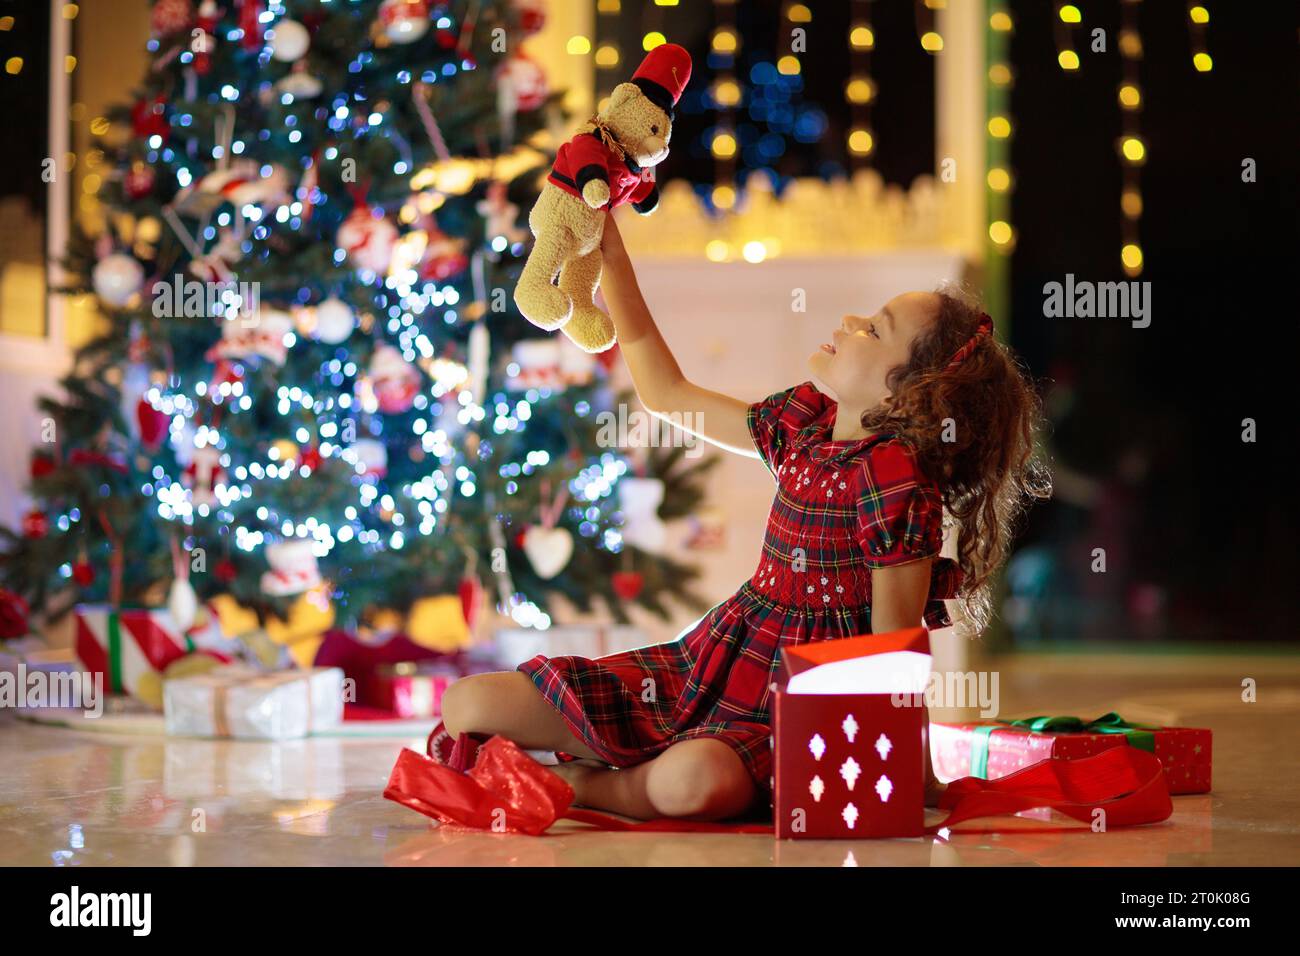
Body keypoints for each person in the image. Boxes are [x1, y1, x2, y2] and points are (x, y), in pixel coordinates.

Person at [436, 211, 1050, 822]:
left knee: (689, 783)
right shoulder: (801, 426)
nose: (851, 321)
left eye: (876, 329)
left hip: (795, 707)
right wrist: (611, 256)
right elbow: (667, 392)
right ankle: (575, 761)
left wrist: (908, 772)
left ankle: (576, 784)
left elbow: (892, 653)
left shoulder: (895, 484)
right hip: (715, 663)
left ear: (908, 392)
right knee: (469, 702)